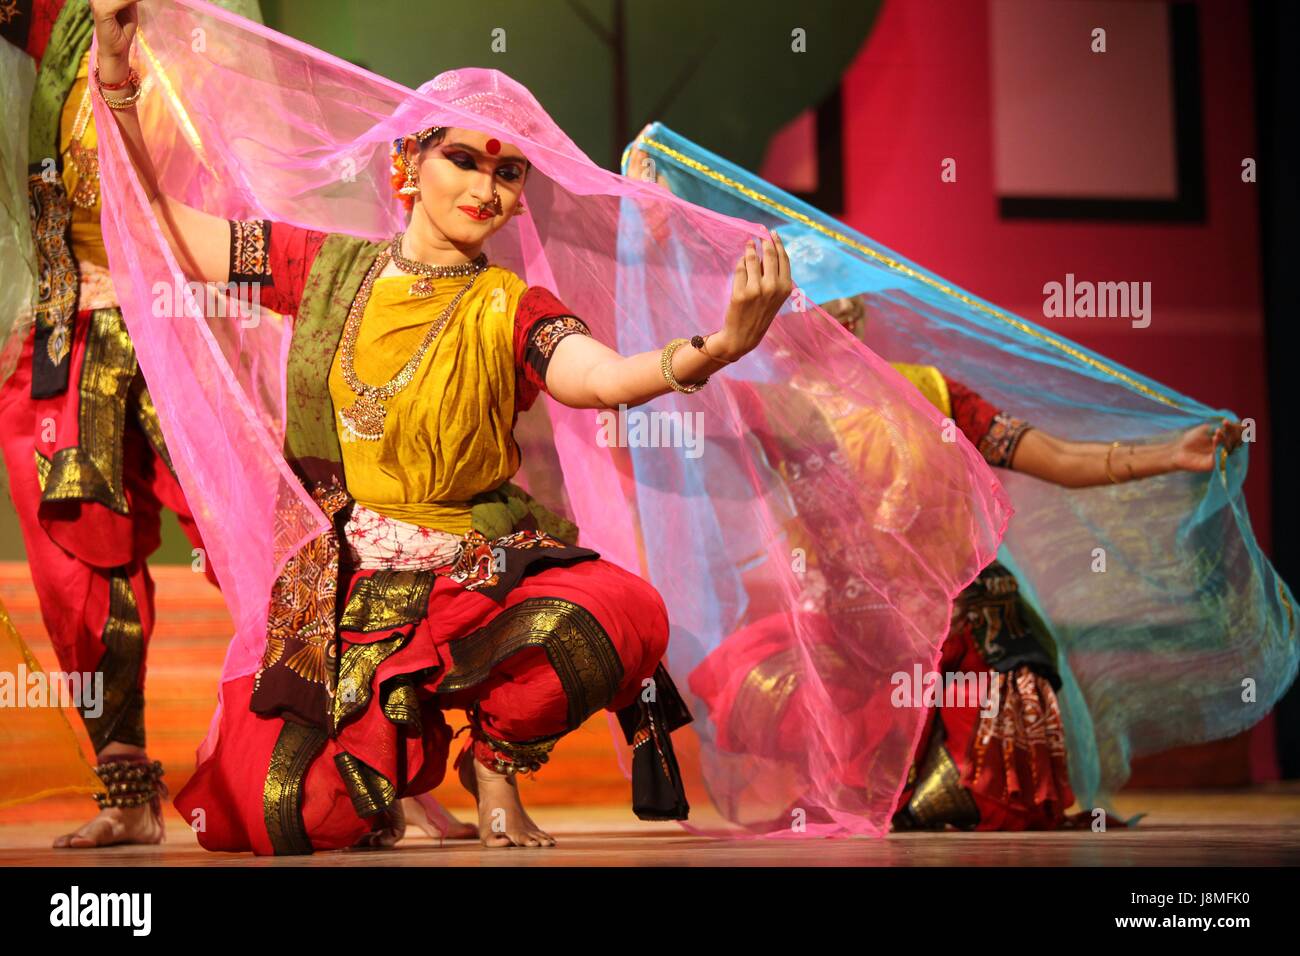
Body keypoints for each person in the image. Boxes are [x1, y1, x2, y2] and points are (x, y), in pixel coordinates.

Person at [88, 0, 794, 852]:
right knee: (273, 814)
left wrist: (714, 348)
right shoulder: (316, 266)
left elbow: (599, 378)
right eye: (462, 160)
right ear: (407, 163)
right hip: (345, 595)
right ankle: (394, 760)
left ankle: (495, 763)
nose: (485, 190)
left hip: (472, 575)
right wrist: (117, 82)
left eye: (507, 174)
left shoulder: (510, 307)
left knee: (618, 616)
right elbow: (162, 226)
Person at [622, 124, 1289, 833]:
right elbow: (666, 389)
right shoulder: (776, 407)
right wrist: (651, 235)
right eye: (816, 307)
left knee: (999, 800)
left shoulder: (931, 393)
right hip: (853, 642)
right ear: (782, 327)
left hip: (966, 626)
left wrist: (1170, 454)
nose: (839, 318)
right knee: (797, 733)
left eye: (848, 303)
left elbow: (1058, 459)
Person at [0, 0, 258, 848]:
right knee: (79, 564)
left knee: (256, 526)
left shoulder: (201, 23)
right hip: (65, 320)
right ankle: (127, 787)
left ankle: (357, 755)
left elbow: (217, 174)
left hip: (185, 311)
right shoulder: (31, 23)